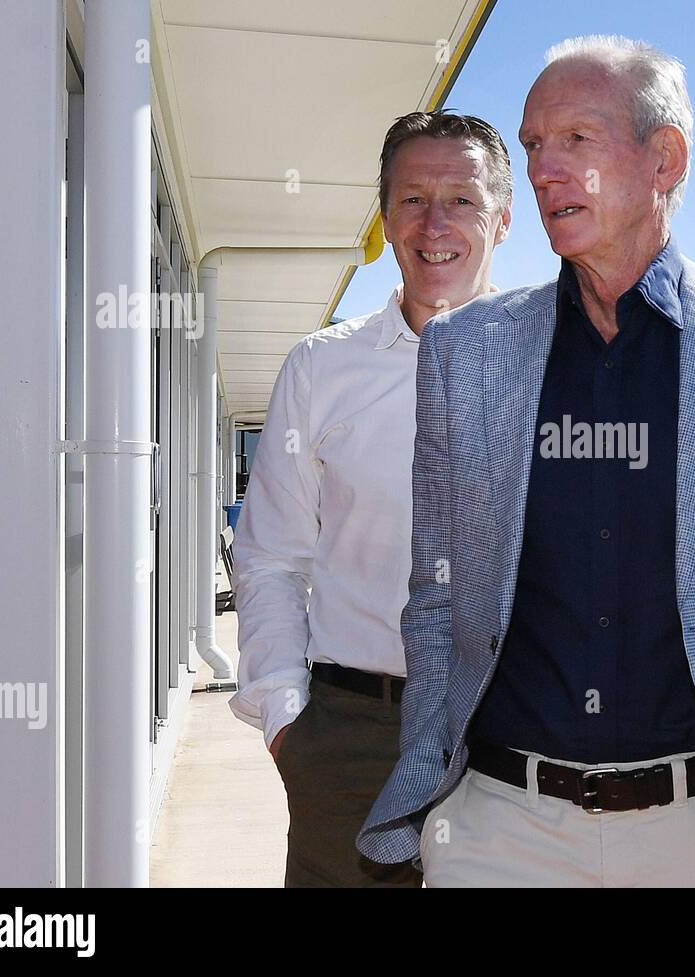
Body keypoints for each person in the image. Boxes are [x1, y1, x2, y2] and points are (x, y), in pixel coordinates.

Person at [358, 35, 695, 887]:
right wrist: (444, 803)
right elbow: (437, 596)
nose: (543, 169)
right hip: (498, 830)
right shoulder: (463, 352)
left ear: (666, 157)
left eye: (575, 138)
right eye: (534, 144)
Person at [229, 110, 511, 886]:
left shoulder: (552, 362)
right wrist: (289, 721)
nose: (435, 223)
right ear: (385, 218)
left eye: (462, 199)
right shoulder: (322, 368)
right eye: (413, 199)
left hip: (508, 739)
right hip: (351, 739)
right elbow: (270, 557)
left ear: (504, 218)